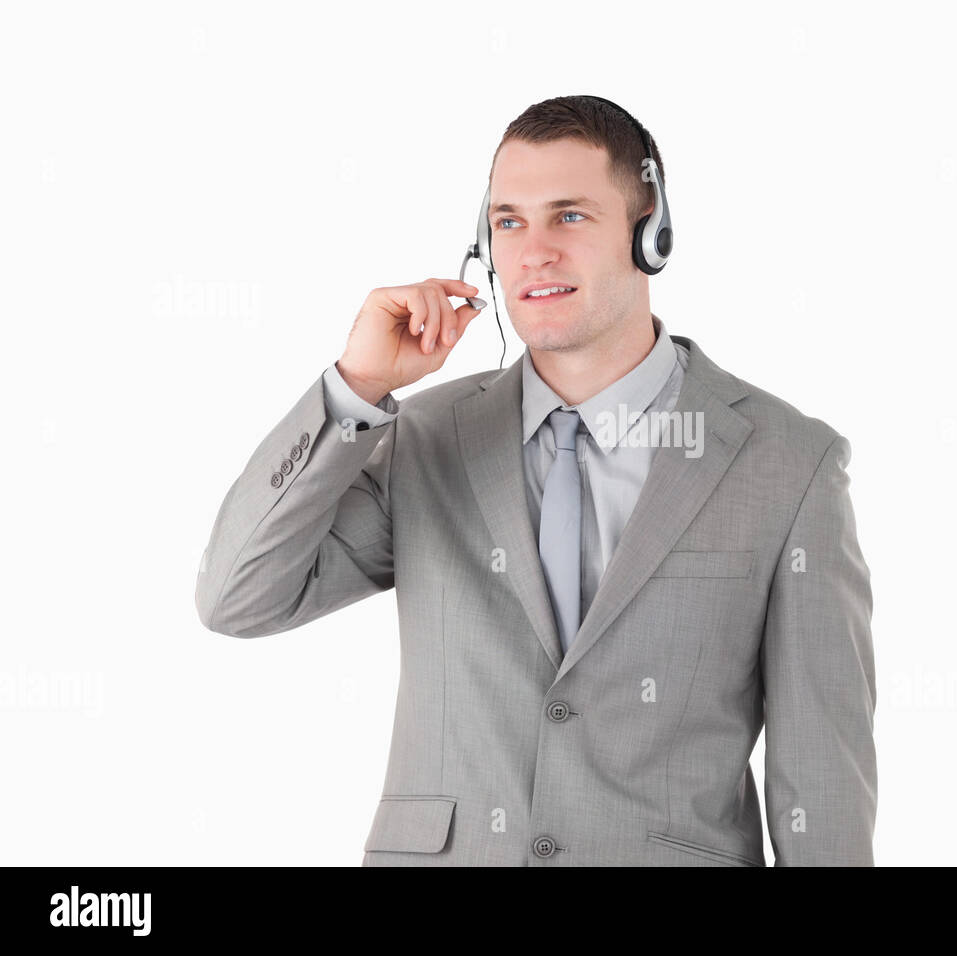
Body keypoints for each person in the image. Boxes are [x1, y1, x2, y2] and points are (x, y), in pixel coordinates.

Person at [195, 94, 877, 866]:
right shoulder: (426, 438)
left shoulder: (787, 461)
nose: (533, 252)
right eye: (509, 222)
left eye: (570, 216)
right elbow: (237, 599)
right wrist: (355, 388)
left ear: (650, 232)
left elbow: (821, 777)